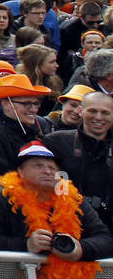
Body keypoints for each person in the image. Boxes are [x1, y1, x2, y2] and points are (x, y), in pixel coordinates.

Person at [0, 141, 113, 279]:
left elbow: (105, 238)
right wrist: (26, 245)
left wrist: (80, 249)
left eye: (52, 167)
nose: (48, 171)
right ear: (20, 172)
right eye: (38, 166)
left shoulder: (72, 198)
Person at [44, 90, 113, 226]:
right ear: (81, 111)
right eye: (92, 111)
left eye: (105, 113)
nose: (98, 117)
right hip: (63, 222)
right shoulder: (55, 143)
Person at [0, 74, 52, 188]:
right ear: (6, 104)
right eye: (27, 104)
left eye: (36, 103)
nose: (34, 109)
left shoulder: (36, 133)